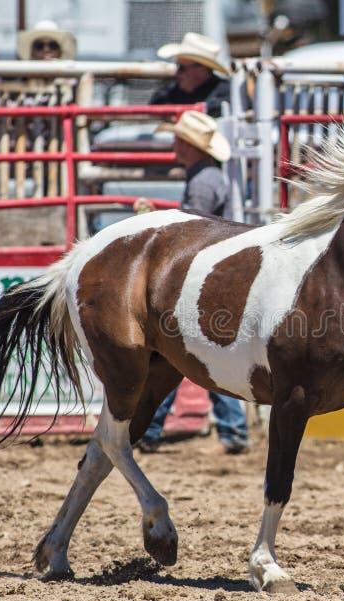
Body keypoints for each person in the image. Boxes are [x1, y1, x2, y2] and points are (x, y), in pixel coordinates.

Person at [134, 110, 249, 455]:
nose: (174, 144)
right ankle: (154, 430)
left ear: (190, 145)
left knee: (185, 352)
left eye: (178, 139)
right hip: (210, 273)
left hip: (202, 277)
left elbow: (191, 232)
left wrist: (150, 220)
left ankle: (152, 429)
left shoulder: (201, 181)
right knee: (189, 352)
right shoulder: (207, 177)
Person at [150, 32, 231, 118]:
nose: (177, 73)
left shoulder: (226, 93)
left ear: (202, 69)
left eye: (181, 68)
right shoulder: (168, 94)